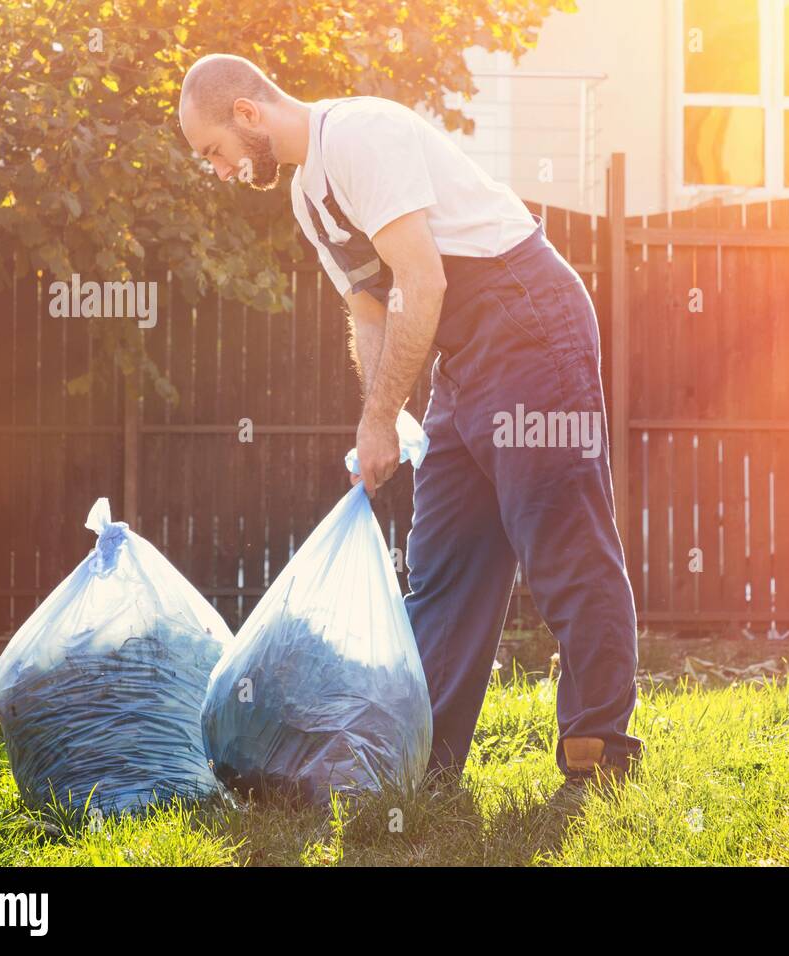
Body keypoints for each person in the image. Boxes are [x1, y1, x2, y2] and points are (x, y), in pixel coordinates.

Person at [177, 53, 642, 788]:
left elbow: (423, 279)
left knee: (559, 535)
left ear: (247, 113)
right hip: (463, 350)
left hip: (527, 319)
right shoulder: (307, 197)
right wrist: (380, 420)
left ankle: (599, 746)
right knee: (443, 562)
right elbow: (371, 307)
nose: (220, 168)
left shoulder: (360, 135)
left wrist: (382, 416)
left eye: (215, 151)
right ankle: (426, 760)